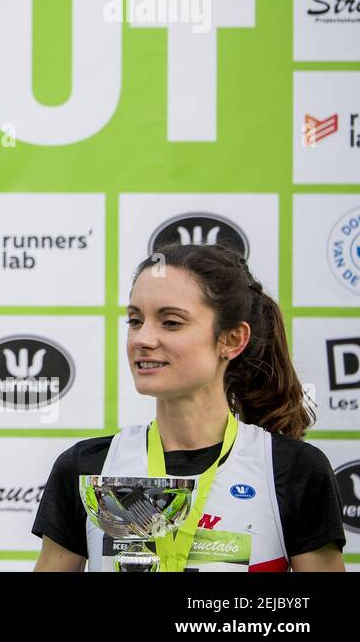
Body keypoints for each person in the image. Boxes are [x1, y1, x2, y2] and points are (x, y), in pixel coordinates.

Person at [32, 242, 345, 571]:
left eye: (170, 322)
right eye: (135, 320)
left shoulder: (293, 470)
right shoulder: (85, 467)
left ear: (232, 339)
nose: (142, 339)